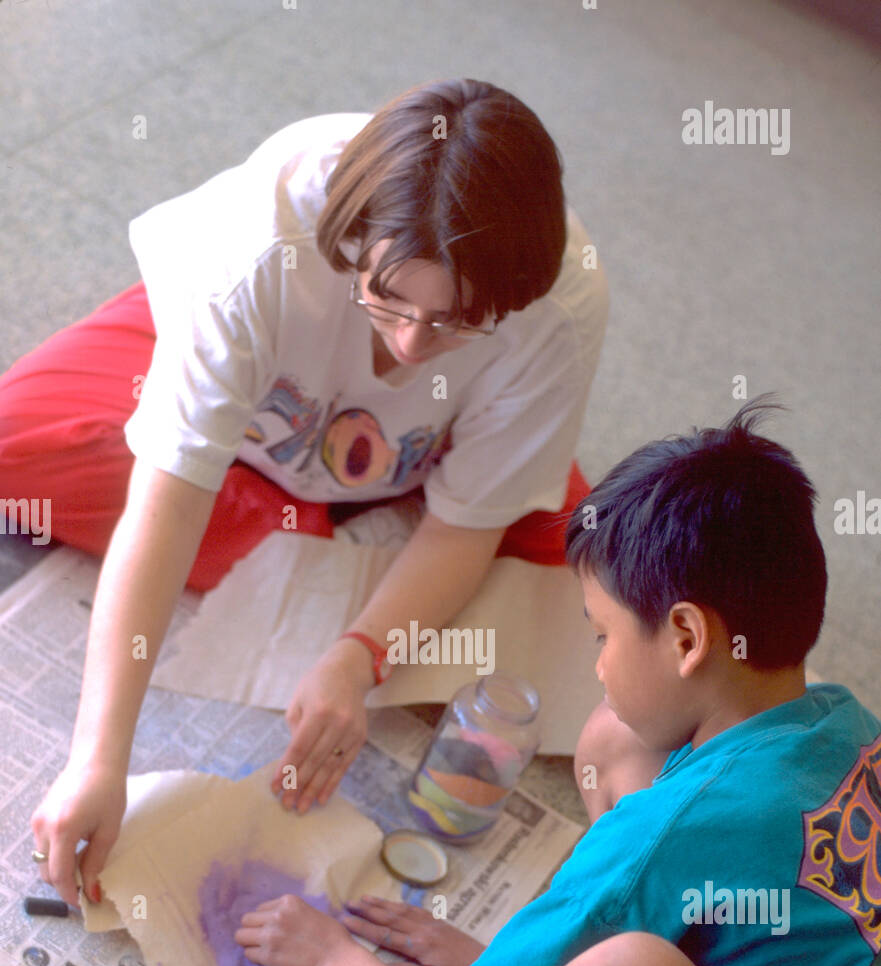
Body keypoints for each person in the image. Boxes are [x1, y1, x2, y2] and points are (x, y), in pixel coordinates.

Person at [233, 401, 881, 966]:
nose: (599, 662)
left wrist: (333, 957)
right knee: (616, 741)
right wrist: (501, 964)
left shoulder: (680, 828)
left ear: (687, 637)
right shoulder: (841, 718)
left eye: (603, 635)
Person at [7, 78, 608, 905]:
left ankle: (307, 529)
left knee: (603, 596)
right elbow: (170, 499)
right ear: (348, 234)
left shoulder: (559, 306)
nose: (408, 344)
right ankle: (333, 526)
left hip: (415, 465)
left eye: (457, 320)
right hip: (261, 420)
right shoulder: (256, 246)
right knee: (15, 441)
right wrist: (98, 760)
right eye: (387, 297)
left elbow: (465, 530)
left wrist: (356, 656)